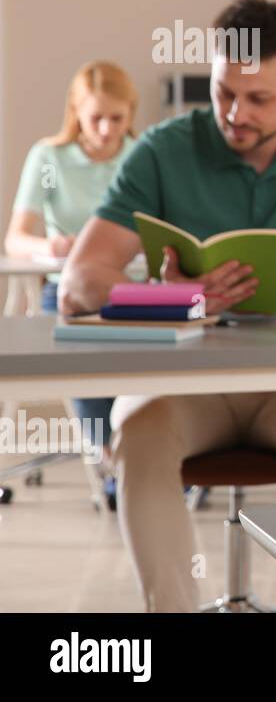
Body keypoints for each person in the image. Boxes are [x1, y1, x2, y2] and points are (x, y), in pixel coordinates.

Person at [60, 0, 276, 611]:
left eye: (258, 98)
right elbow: (81, 280)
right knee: (137, 442)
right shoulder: (164, 148)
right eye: (222, 92)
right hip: (182, 382)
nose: (234, 113)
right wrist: (164, 296)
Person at [6, 60, 138, 477]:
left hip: (137, 289)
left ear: (130, 114)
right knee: (82, 354)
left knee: (155, 358)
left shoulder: (142, 156)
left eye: (116, 118)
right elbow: (16, 238)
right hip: (70, 289)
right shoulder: (50, 157)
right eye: (96, 117)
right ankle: (111, 456)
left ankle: (140, 457)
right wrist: (52, 245)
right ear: (75, 111)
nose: (105, 129)